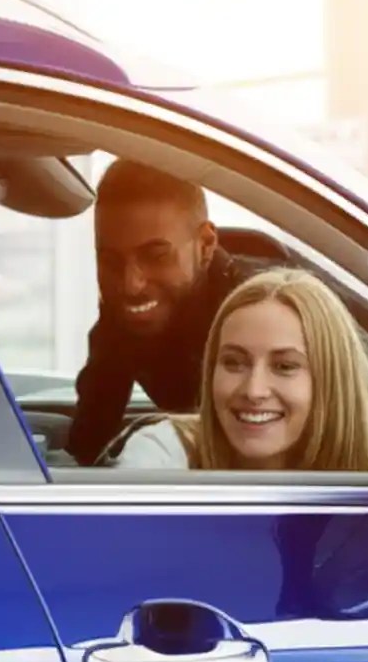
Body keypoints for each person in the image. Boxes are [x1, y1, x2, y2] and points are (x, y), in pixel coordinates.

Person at [65, 159, 272, 466]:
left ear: (206, 245)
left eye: (156, 256)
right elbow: (90, 435)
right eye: (110, 260)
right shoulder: (127, 311)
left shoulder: (265, 314)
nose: (131, 284)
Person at [113, 267, 368, 473]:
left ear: (331, 383)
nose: (253, 390)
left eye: (284, 366)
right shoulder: (162, 454)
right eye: (234, 363)